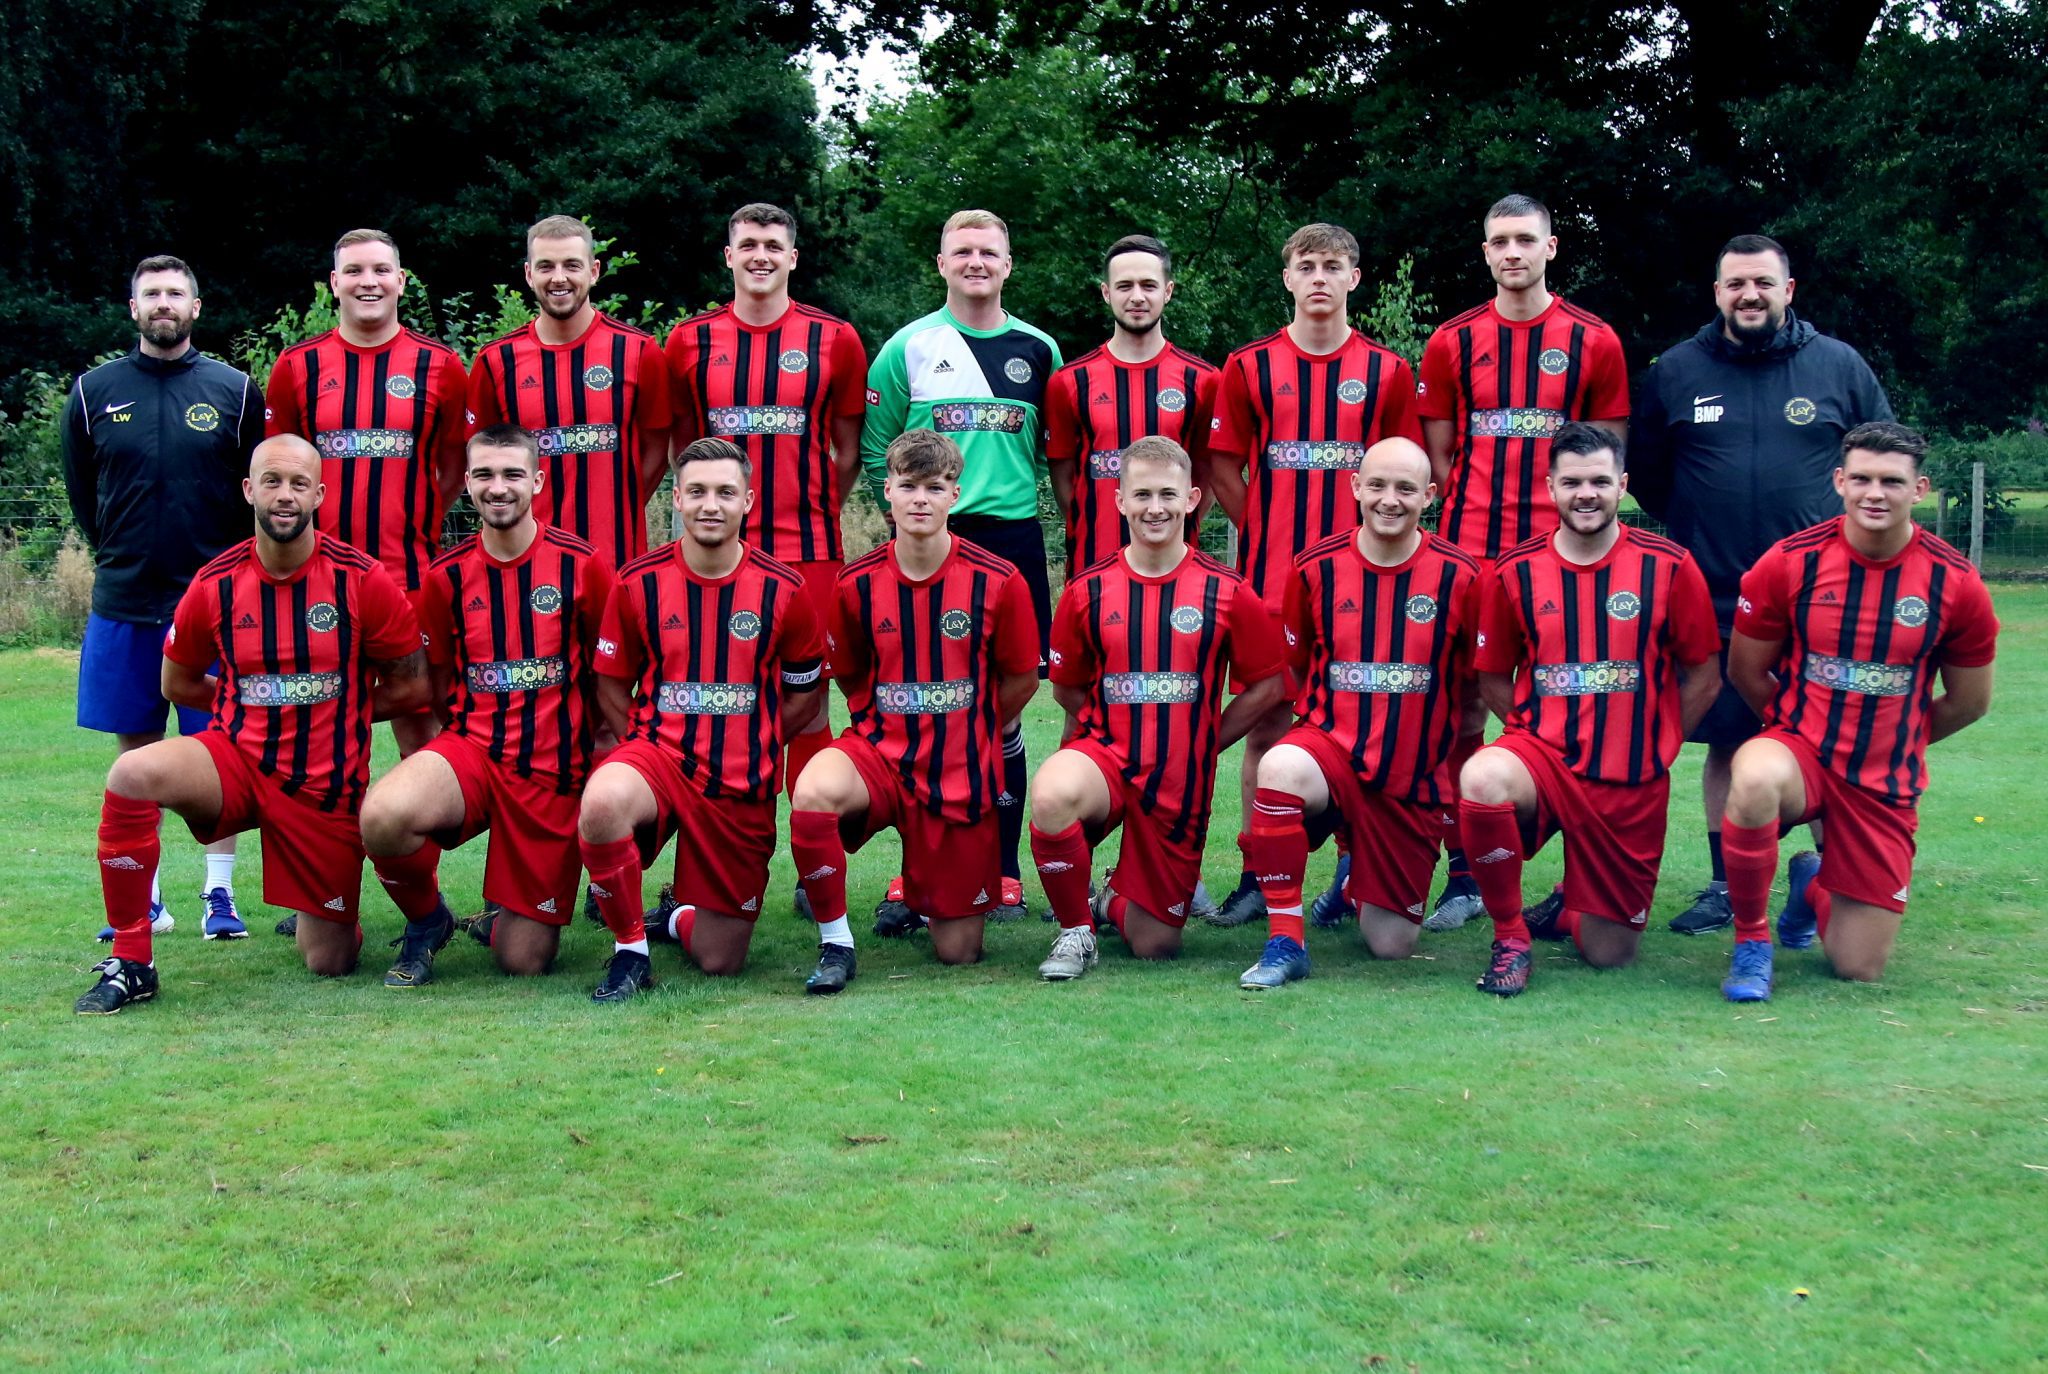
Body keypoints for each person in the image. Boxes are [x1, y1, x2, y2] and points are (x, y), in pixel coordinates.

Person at [74, 435, 430, 1013]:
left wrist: (334, 708)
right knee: (132, 773)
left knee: (329, 961)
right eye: (271, 481)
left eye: (297, 484)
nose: (284, 495)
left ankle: (332, 907)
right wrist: (250, 705)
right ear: (249, 491)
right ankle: (133, 960)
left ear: (319, 493)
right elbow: (178, 683)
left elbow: (414, 685)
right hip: (236, 761)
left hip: (324, 789)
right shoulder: (214, 582)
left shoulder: (363, 579)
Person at [1629, 232, 1894, 936]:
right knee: (1728, 742)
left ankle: (1825, 878)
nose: (1749, 295)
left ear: (1788, 291)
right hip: (1712, 598)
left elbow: (1879, 463)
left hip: (1822, 600)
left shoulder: (1838, 365)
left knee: (1829, 738)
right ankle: (1725, 885)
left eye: (1763, 284)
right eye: (1736, 284)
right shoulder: (1678, 370)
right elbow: (1650, 473)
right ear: (1717, 293)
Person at [1716, 422, 1996, 1001]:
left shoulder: (1957, 582)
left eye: (1891, 481)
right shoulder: (1790, 561)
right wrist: (1796, 725)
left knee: (1857, 967)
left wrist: (1895, 744)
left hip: (1882, 780)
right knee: (1755, 774)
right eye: (1862, 478)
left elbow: (1970, 702)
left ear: (1918, 489)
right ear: (1839, 481)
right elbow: (1746, 669)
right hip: (1801, 752)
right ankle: (1751, 942)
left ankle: (1813, 887)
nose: (1875, 493)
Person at [1415, 193, 1629, 933]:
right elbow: (1441, 453)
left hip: (1567, 569)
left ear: (1551, 247)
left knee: (1581, 708)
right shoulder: (1450, 341)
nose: (1512, 252)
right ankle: (1467, 873)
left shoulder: (1593, 340)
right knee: (1463, 708)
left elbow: (1603, 460)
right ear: (1484, 253)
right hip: (1474, 558)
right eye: (1499, 241)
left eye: (1525, 240)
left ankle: (1582, 882)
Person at [1201, 221, 1423, 929]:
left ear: (1354, 279)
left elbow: (1403, 470)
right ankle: (1257, 873)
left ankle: (1356, 872)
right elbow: (1221, 466)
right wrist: (1263, 528)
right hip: (1270, 585)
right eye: (1307, 265)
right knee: (1270, 728)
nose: (1319, 276)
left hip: (1366, 591)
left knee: (1366, 727)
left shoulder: (1387, 371)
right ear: (1288, 278)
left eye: (1333, 265)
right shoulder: (1248, 366)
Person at [1458, 423, 1722, 997]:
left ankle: (1570, 903)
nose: (1587, 493)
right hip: (1546, 759)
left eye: (1600, 481)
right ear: (1550, 487)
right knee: (1483, 776)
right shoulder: (1513, 571)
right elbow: (1492, 674)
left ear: (1622, 485)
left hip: (1629, 777)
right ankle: (1509, 937)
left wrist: (1665, 744)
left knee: (1608, 955)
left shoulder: (1670, 566)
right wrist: (1529, 730)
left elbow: (1704, 673)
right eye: (1572, 481)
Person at [357, 425, 615, 986]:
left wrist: (598, 752)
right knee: (383, 815)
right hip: (475, 753)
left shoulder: (583, 566)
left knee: (522, 961)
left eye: (512, 475)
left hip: (553, 773)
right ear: (467, 485)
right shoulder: (445, 577)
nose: (498, 488)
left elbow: (609, 673)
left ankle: (503, 917)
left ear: (537, 483)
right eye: (484, 475)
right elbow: (440, 679)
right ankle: (429, 918)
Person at [664, 203, 867, 914]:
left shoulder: (834, 339)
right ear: (728, 256)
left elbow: (845, 450)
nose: (759, 255)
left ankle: (817, 875)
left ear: (792, 257)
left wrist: (803, 508)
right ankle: (711, 861)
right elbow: (685, 451)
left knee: (807, 711)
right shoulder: (689, 342)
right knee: (712, 702)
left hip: (807, 552)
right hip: (717, 560)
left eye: (772, 245)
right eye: (746, 244)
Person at [861, 209, 1062, 923]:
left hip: (1010, 543)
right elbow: (876, 452)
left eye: (989, 252)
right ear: (940, 262)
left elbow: (1053, 456)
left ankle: (1002, 871)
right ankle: (914, 875)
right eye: (962, 251)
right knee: (924, 705)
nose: (976, 262)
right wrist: (908, 534)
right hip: (928, 545)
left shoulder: (1039, 349)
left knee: (1004, 713)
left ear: (1009, 264)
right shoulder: (906, 348)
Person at [788, 431, 1041, 990]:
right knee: (812, 791)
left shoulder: (1000, 581)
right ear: (888, 494)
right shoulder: (855, 585)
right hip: (881, 753)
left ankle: (927, 892)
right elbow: (851, 674)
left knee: (959, 953)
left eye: (935, 486)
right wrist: (883, 723)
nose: (921, 498)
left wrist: (970, 731)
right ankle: (836, 944)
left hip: (959, 769)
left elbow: (1022, 679)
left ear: (956, 494)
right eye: (909, 486)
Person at [577, 438, 826, 1002]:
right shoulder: (637, 581)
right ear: (678, 502)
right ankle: (630, 954)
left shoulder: (786, 589)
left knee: (719, 959)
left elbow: (804, 699)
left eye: (724, 492)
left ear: (748, 502)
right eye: (697, 492)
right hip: (660, 757)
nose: (710, 504)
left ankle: (671, 919)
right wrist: (640, 739)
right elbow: (611, 683)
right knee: (603, 800)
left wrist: (753, 737)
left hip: (739, 779)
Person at [1028, 437, 1285, 980]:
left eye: (1168, 494)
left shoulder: (1228, 591)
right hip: (1108, 758)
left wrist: (1207, 737)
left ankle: (1108, 901)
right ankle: (1076, 931)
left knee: (1155, 944)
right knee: (1052, 791)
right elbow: (1066, 688)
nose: (1155, 507)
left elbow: (1268, 684)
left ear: (1193, 498)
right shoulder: (1086, 591)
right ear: (1119, 500)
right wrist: (1109, 724)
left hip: (1178, 781)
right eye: (1141, 494)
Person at [62, 253, 261, 942]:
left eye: (176, 292)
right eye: (152, 293)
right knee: (136, 756)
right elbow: (86, 499)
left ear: (196, 307)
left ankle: (219, 896)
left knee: (217, 755)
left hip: (213, 609)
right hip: (125, 603)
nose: (164, 303)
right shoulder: (93, 391)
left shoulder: (234, 390)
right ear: (133, 307)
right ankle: (146, 901)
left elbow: (254, 499)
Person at [1237, 437, 1483, 989]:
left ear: (1431, 495)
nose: (1388, 499)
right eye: (1376, 485)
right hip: (1334, 753)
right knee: (1280, 767)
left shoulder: (1462, 578)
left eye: (1404, 488)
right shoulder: (1314, 568)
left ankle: (1351, 887)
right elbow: (1296, 669)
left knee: (1391, 946)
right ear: (1354, 487)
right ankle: (1285, 939)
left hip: (1411, 781)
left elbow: (1473, 691)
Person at [264, 228, 467, 767]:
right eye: (354, 271)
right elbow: (279, 470)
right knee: (311, 731)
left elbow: (453, 466)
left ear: (401, 280)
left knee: (422, 731)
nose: (368, 281)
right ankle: (320, 845)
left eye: (380, 270)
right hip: (315, 585)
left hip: (412, 579)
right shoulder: (296, 367)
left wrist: (415, 515)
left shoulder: (441, 366)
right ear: (335, 283)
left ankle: (410, 848)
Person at [467, 215, 673, 570]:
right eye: (546, 266)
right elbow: (479, 455)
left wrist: (619, 504)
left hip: (615, 559)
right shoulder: (496, 360)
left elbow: (657, 440)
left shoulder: (638, 352)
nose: (558, 278)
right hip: (524, 562)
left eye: (571, 265)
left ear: (593, 271)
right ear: (529, 274)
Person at [1043, 234, 1221, 577]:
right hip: (1091, 565)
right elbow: (1065, 483)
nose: (1137, 297)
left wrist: (1172, 518)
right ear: (1106, 292)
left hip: (1178, 569)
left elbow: (1208, 474)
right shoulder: (1068, 382)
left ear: (1167, 291)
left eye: (1148, 285)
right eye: (1124, 286)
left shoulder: (1203, 380)